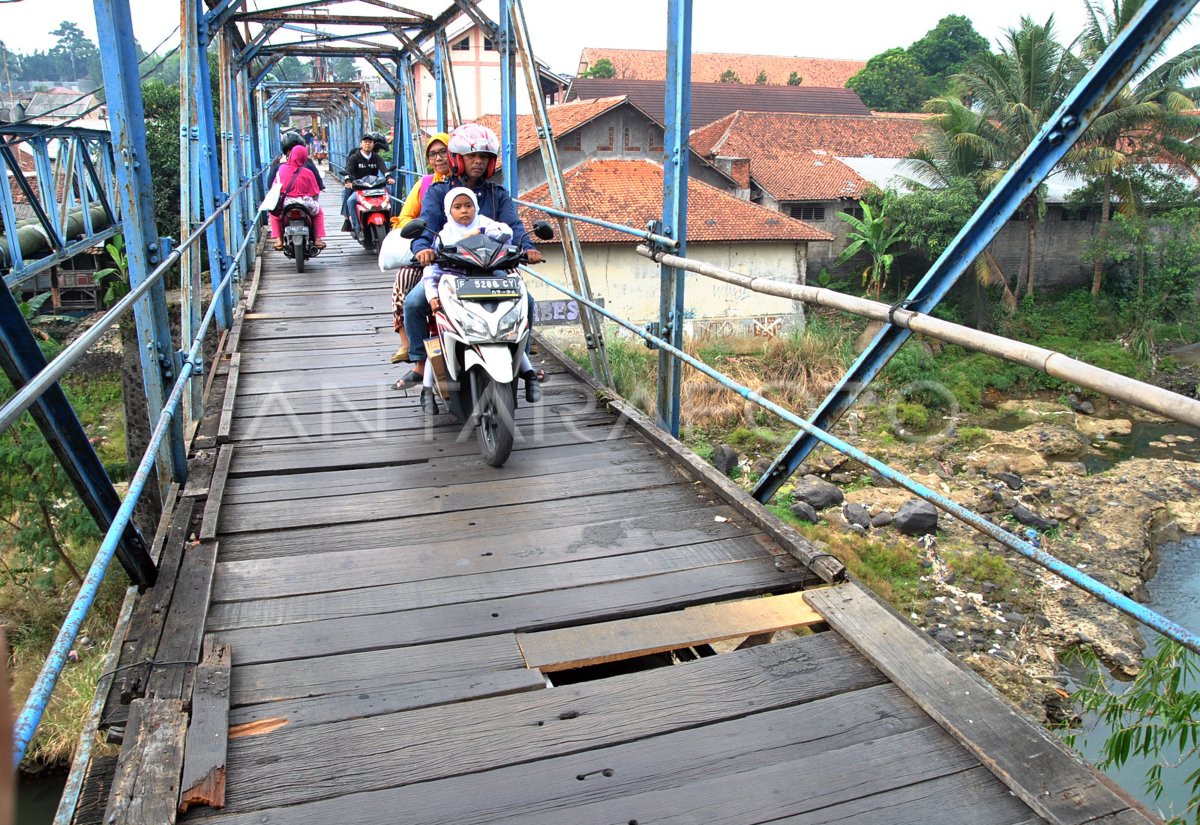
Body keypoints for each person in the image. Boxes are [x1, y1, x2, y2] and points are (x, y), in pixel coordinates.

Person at [395, 123, 543, 399]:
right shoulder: (439, 193)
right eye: (472, 156)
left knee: (528, 302)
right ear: (458, 159)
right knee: (414, 303)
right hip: (451, 270)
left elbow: (515, 227)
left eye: (484, 157)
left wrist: (529, 247)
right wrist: (422, 248)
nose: (478, 161)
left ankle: (521, 351)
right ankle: (419, 363)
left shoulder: (497, 195)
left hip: (492, 269)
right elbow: (425, 225)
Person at [388, 131, 451, 367]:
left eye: (443, 152)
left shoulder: (466, 184)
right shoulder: (425, 185)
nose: (438, 159)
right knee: (404, 280)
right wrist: (422, 233)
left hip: (465, 253)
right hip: (430, 253)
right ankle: (412, 349)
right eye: (432, 155)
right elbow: (405, 217)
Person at [269, 144, 326, 251]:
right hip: (305, 203)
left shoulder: (281, 170)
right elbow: (315, 191)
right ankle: (318, 239)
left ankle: (278, 240)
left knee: (274, 216)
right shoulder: (308, 172)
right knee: (319, 213)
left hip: (286, 203)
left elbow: (274, 187)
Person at [341, 133, 393, 232]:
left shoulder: (376, 157)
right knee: (350, 200)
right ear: (361, 144)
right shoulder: (354, 157)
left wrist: (389, 177)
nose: (367, 144)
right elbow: (349, 170)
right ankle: (356, 226)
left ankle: (391, 222)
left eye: (370, 142)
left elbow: (383, 168)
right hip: (359, 186)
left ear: (373, 144)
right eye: (365, 142)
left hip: (375, 186)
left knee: (389, 197)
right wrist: (348, 181)